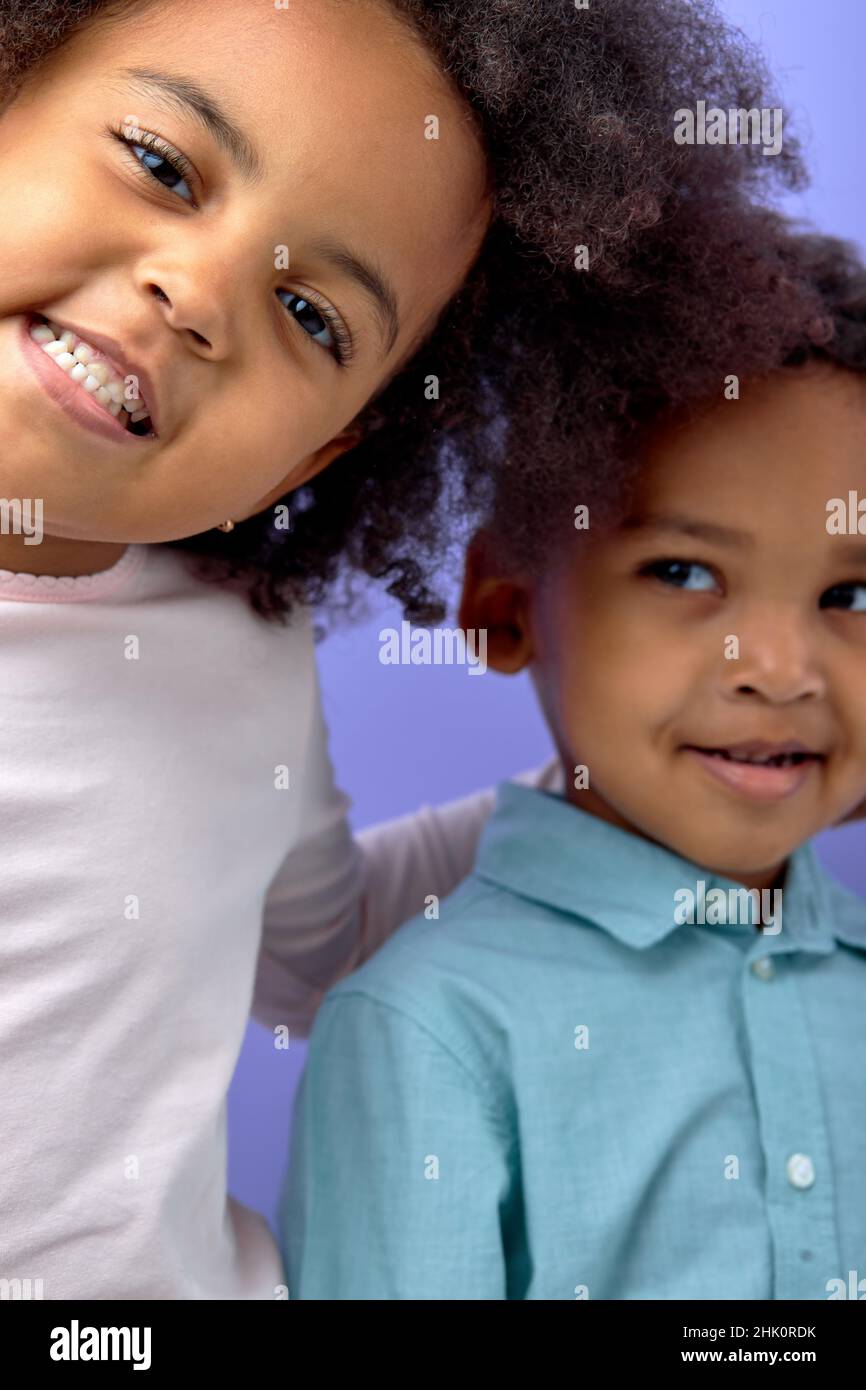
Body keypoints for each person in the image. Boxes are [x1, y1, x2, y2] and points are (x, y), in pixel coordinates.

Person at [2, 0, 790, 1302]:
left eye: (313, 317)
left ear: (317, 454)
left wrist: (608, 793)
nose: (194, 296)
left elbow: (330, 942)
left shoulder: (237, 659)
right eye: (160, 162)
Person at [282, 226, 866, 1300]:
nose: (780, 670)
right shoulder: (432, 1028)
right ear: (504, 605)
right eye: (684, 571)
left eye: (852, 597)